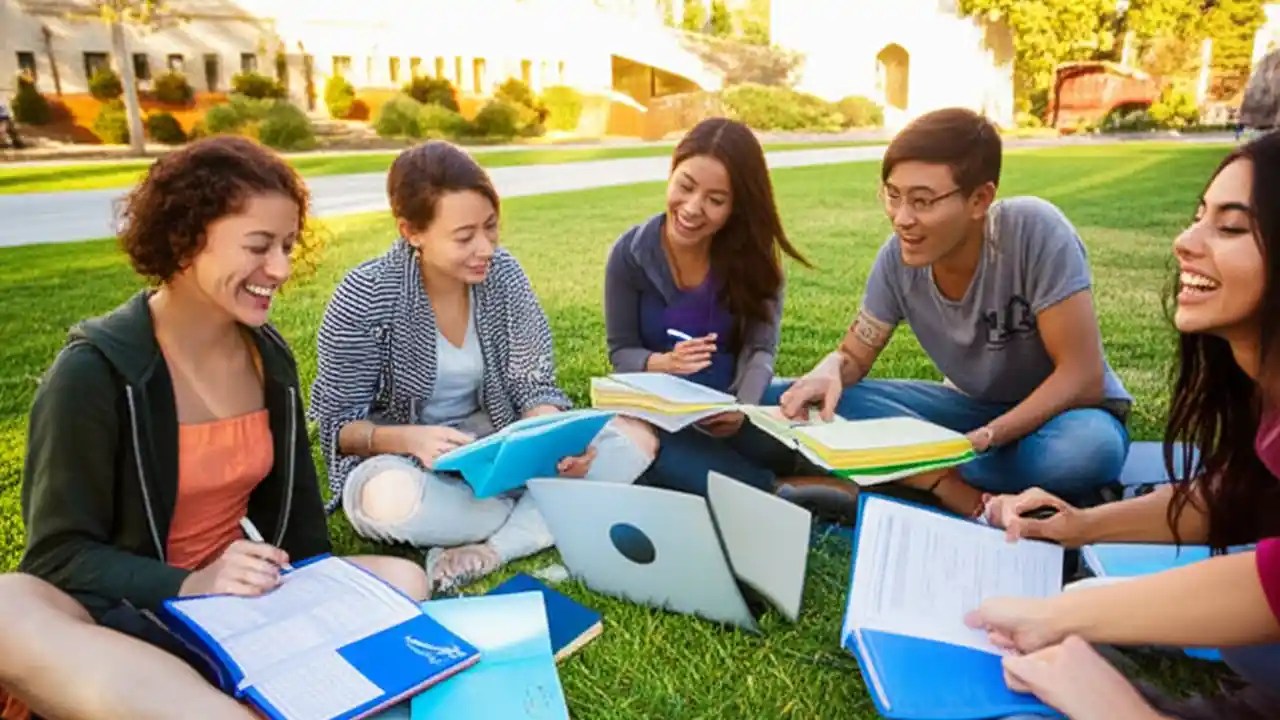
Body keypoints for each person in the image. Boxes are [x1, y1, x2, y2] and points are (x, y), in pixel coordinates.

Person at [0, 136, 426, 720]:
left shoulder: (266, 356)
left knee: (401, 576)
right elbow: (59, 557)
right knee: (6, 606)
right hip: (131, 615)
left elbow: (300, 530)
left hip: (239, 609)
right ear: (185, 242)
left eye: (285, 245)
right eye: (257, 247)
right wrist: (193, 582)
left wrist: (322, 604)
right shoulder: (94, 373)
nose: (278, 269)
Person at [968, 131, 1280, 719]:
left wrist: (1060, 621)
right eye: (1198, 217)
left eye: (1231, 227)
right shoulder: (1260, 397)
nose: (1185, 242)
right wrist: (1082, 526)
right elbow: (1237, 497)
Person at [309, 140, 653, 595]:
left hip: (496, 449)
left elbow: (533, 386)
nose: (486, 247)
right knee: (386, 500)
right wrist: (409, 439)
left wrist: (554, 441)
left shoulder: (504, 275)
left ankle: (490, 549)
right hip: (404, 462)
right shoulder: (366, 294)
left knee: (636, 438)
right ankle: (538, 515)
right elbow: (338, 426)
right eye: (464, 236)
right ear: (412, 231)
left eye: (491, 227)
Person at [777, 107, 1133, 518]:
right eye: (893, 196)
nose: (902, 219)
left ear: (980, 199)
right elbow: (856, 356)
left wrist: (983, 439)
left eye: (923, 201)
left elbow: (1082, 376)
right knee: (786, 397)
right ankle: (942, 483)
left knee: (1085, 453)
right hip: (968, 411)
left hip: (1062, 416)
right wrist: (829, 368)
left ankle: (907, 474)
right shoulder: (896, 261)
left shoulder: (1034, 232)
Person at [603, 116, 842, 501]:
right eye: (685, 186)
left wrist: (742, 409)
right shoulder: (630, 255)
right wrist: (663, 363)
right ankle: (776, 491)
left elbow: (760, 349)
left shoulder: (754, 262)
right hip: (663, 416)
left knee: (789, 411)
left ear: (736, 206)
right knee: (648, 443)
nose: (693, 208)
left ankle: (802, 468)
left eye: (715, 200)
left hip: (733, 408)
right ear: (672, 172)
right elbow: (621, 352)